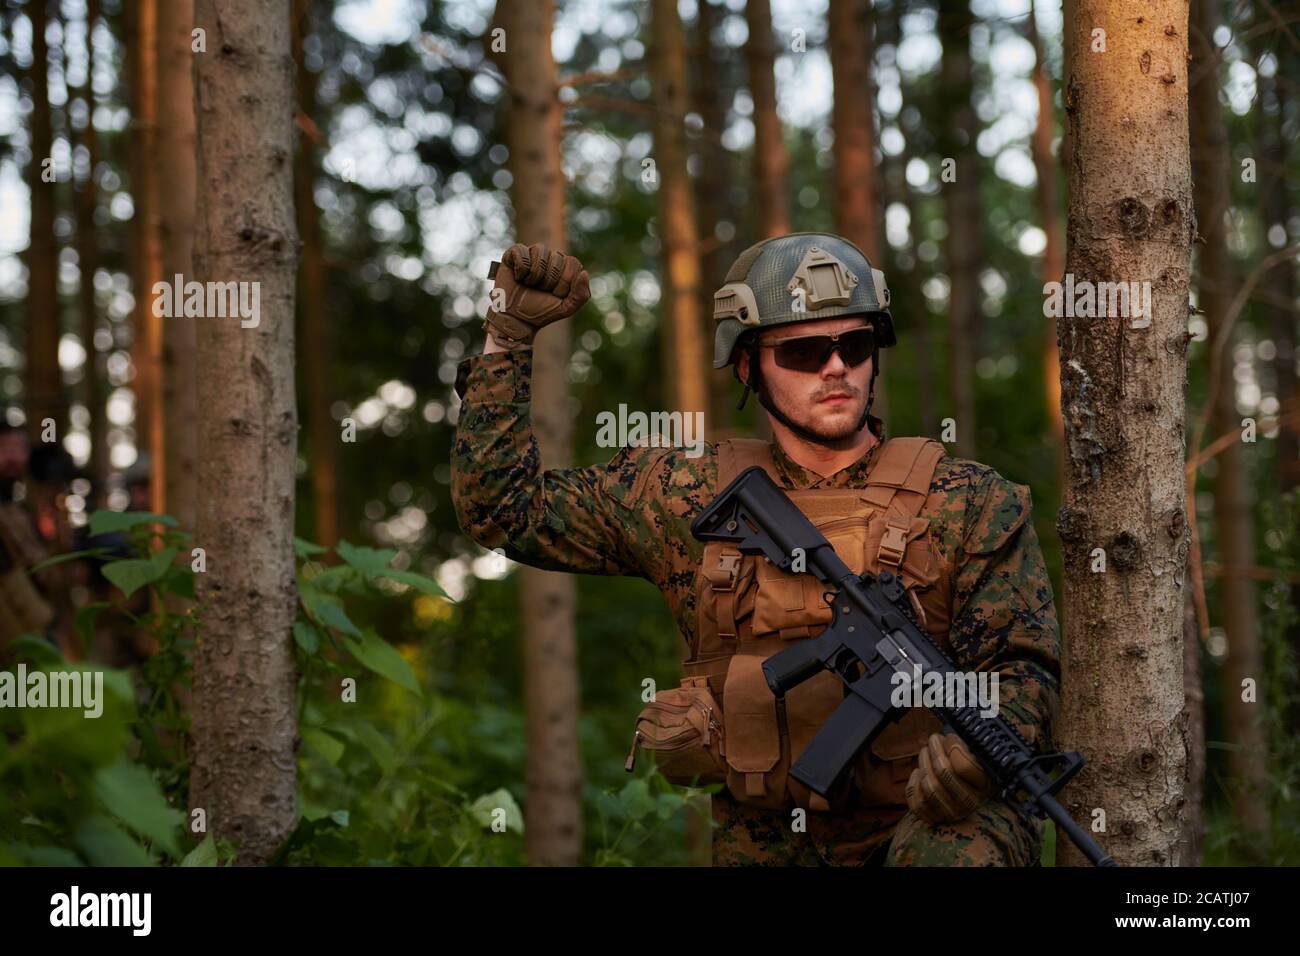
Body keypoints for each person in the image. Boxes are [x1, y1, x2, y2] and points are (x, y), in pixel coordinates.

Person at [451, 234, 1061, 866]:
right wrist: (508, 339)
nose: (835, 369)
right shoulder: (686, 495)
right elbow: (504, 511)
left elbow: (1026, 666)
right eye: (802, 351)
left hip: (933, 821)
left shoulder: (966, 499)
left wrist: (982, 754)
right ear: (747, 367)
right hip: (765, 837)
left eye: (854, 346)